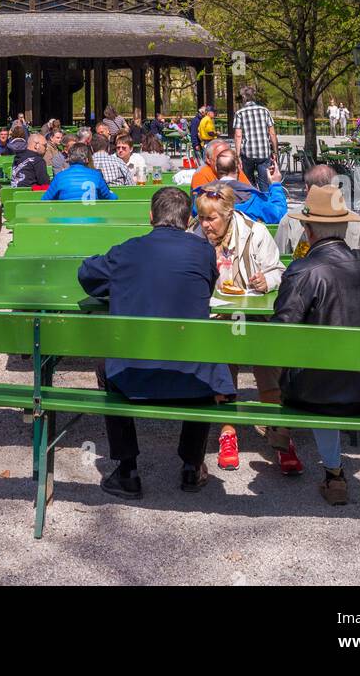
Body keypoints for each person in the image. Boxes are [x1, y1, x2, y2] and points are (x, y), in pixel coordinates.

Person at [77, 185, 232, 496]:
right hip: (193, 379)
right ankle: (191, 465)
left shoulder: (126, 251)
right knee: (205, 355)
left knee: (104, 362)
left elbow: (87, 275)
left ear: (150, 217)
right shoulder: (203, 252)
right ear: (188, 218)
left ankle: (127, 469)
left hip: (133, 377)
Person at [272, 184, 360, 505]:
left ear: (307, 229)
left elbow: (279, 332)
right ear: (345, 226)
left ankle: (329, 468)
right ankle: (333, 470)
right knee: (330, 370)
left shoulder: (301, 271)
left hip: (317, 396)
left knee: (314, 373)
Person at [191, 182, 302, 476]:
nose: (205, 224)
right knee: (224, 367)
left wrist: (268, 280)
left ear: (228, 214)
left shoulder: (255, 232)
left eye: (211, 219)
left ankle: (280, 434)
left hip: (253, 313)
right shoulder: (196, 235)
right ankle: (228, 432)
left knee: (267, 366)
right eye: (202, 217)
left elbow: (278, 270)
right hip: (217, 315)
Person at [275, 163, 360, 255]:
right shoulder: (357, 220)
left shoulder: (289, 220)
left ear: (307, 189)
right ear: (337, 187)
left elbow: (280, 259)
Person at [210, 147, 287, 225]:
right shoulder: (253, 199)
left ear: (216, 168)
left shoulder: (202, 196)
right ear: (240, 166)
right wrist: (275, 185)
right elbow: (279, 215)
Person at [233, 86, 279, 192]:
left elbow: (238, 135)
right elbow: (272, 133)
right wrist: (275, 152)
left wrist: (238, 155)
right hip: (264, 152)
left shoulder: (240, 113)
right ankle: (265, 203)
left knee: (248, 183)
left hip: (247, 153)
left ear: (244, 97)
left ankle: (252, 203)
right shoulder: (265, 111)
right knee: (265, 183)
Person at [42, 142, 116, 201]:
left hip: (65, 218)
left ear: (69, 159)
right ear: (87, 159)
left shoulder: (59, 177)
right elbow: (111, 198)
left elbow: (45, 200)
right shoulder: (96, 175)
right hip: (92, 218)